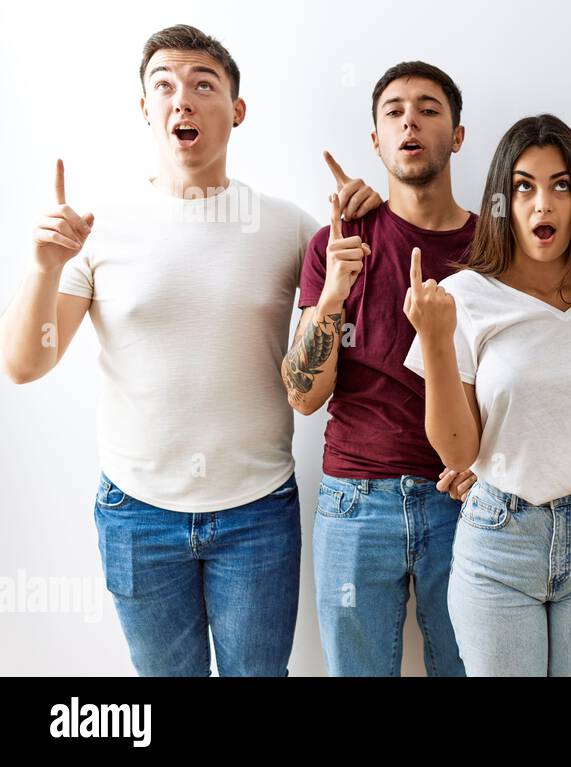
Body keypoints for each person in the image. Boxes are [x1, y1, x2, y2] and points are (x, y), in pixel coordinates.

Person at [0, 25, 379, 675]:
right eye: (164, 86)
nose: (183, 99)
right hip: (136, 516)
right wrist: (42, 266)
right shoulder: (97, 229)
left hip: (257, 514)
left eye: (204, 85)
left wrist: (378, 217)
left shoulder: (289, 226)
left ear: (237, 110)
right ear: (144, 109)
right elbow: (25, 364)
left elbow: (358, 310)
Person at [404, 114, 571, 676]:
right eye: (524, 186)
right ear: (502, 201)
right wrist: (434, 338)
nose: (542, 204)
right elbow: (457, 453)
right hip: (500, 538)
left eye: (561, 185)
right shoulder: (465, 297)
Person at [284, 61, 475, 676]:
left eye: (427, 108)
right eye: (393, 111)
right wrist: (333, 294)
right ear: (376, 140)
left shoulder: (495, 249)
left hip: (466, 501)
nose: (409, 120)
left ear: (457, 134)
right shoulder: (336, 243)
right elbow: (302, 396)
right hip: (354, 503)